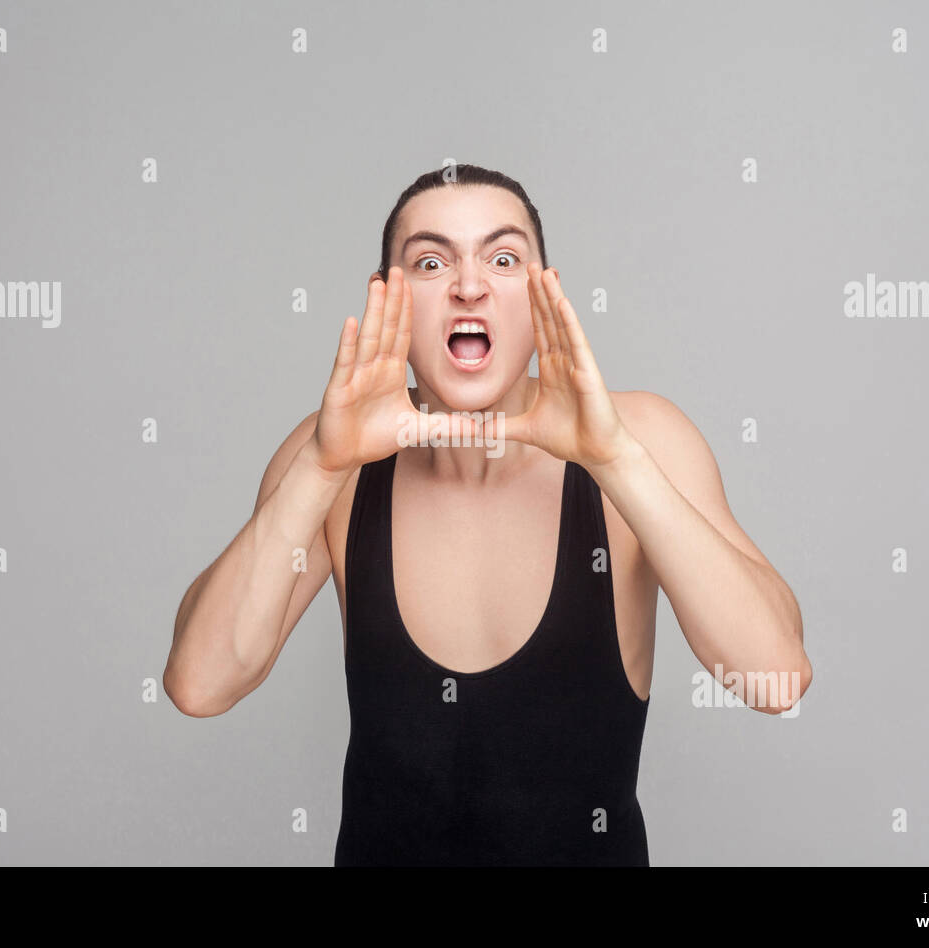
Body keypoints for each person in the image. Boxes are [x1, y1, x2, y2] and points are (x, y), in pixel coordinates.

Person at [163, 164, 810, 866]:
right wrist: (319, 468)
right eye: (432, 261)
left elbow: (774, 675)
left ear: (543, 296)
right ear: (391, 302)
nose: (469, 285)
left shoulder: (641, 439)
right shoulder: (334, 463)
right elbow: (199, 684)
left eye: (503, 258)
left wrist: (616, 459)